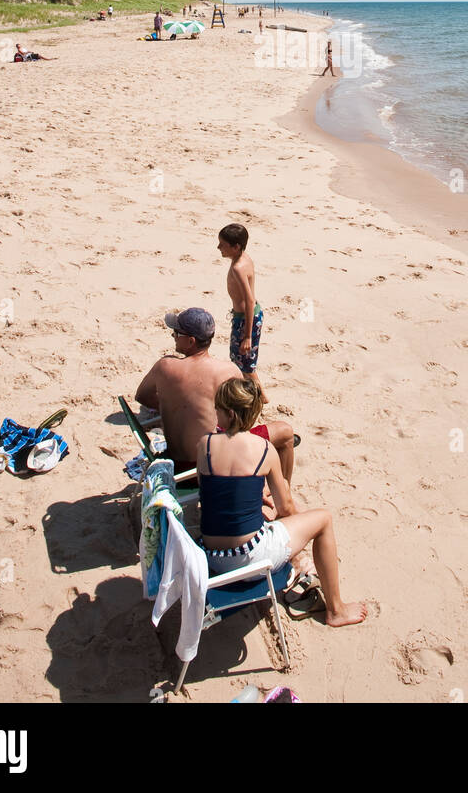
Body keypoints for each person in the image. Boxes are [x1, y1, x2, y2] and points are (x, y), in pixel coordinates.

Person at [198, 378, 368, 628]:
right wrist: (290, 518)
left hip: (211, 555)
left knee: (269, 519)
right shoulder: (263, 449)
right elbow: (286, 508)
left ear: (230, 414)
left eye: (218, 409)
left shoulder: (205, 445)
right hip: (248, 560)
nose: (215, 414)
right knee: (322, 520)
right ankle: (336, 610)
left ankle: (303, 569)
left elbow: (212, 494)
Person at [135, 308, 294, 479]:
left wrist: (175, 405)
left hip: (175, 462)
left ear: (191, 341)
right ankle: (283, 498)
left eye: (176, 333)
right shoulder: (227, 371)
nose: (173, 336)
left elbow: (142, 396)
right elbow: (245, 421)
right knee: (285, 432)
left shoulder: (164, 366)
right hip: (209, 466)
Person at [218, 223, 267, 404]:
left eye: (222, 244)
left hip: (247, 319)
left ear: (236, 246)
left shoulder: (239, 268)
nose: (219, 248)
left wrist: (247, 336)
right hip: (249, 317)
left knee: (245, 363)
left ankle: (261, 396)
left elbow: (249, 300)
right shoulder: (244, 258)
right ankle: (254, 394)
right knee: (240, 359)